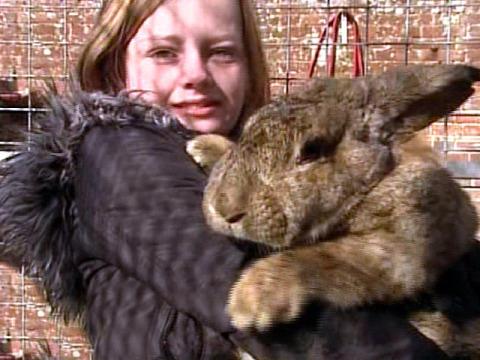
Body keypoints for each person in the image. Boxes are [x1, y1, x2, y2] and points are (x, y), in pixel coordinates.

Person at [1, 0, 472, 358]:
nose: (196, 75)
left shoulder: (245, 156)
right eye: (165, 53)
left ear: (249, 68)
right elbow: (252, 296)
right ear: (113, 64)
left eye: (222, 53)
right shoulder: (115, 147)